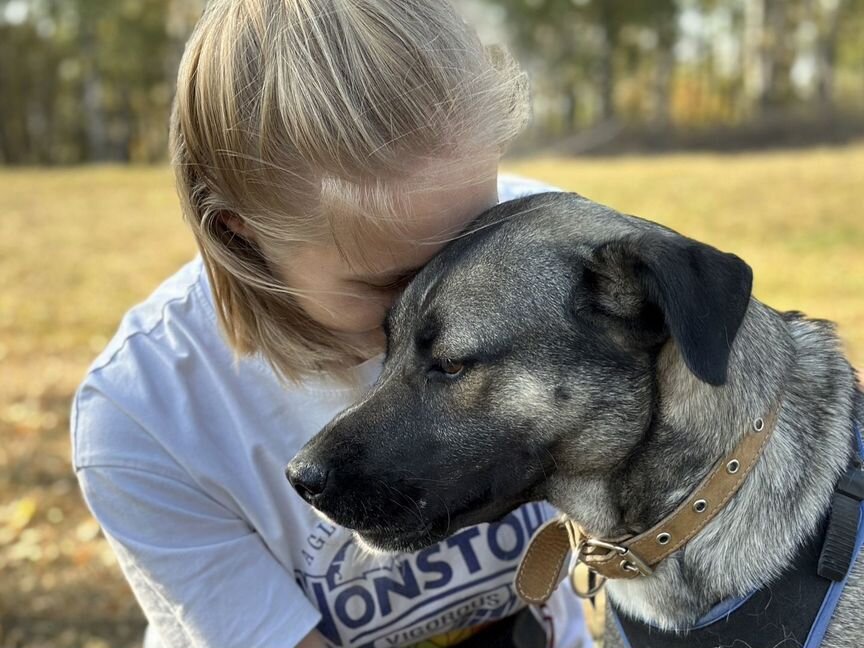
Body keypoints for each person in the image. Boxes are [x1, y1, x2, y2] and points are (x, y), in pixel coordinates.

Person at [71, 1, 593, 646]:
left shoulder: (545, 258)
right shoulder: (146, 413)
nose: (452, 297)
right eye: (390, 281)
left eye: (475, 245)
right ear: (241, 231)